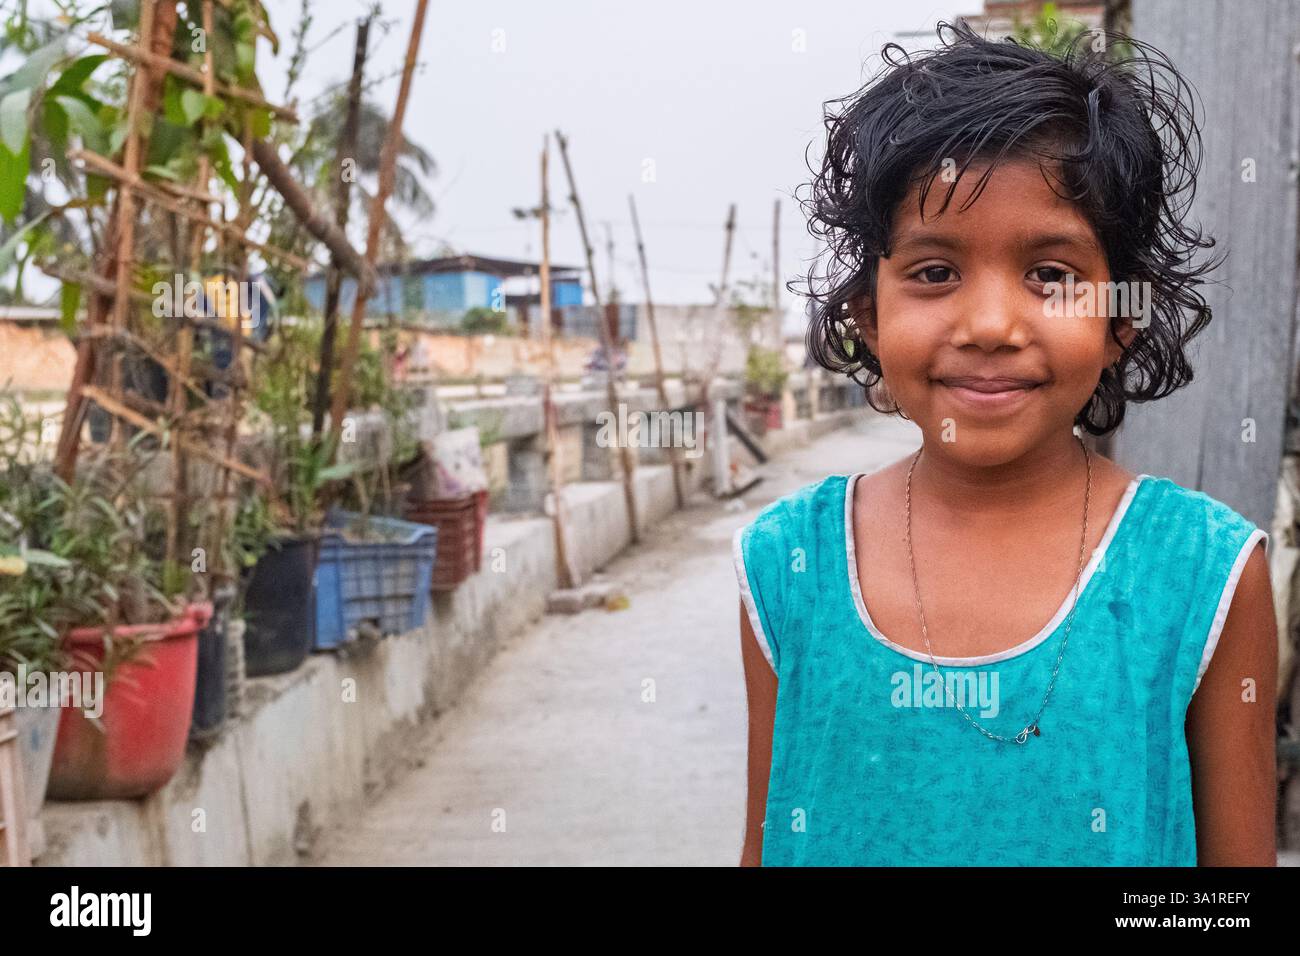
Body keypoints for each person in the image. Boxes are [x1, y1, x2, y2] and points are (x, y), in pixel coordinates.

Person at [736, 21, 1277, 866]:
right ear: (869, 318)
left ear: (1120, 320)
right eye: (935, 272)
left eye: (1051, 276)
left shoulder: (1205, 576)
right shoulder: (787, 566)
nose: (991, 325)